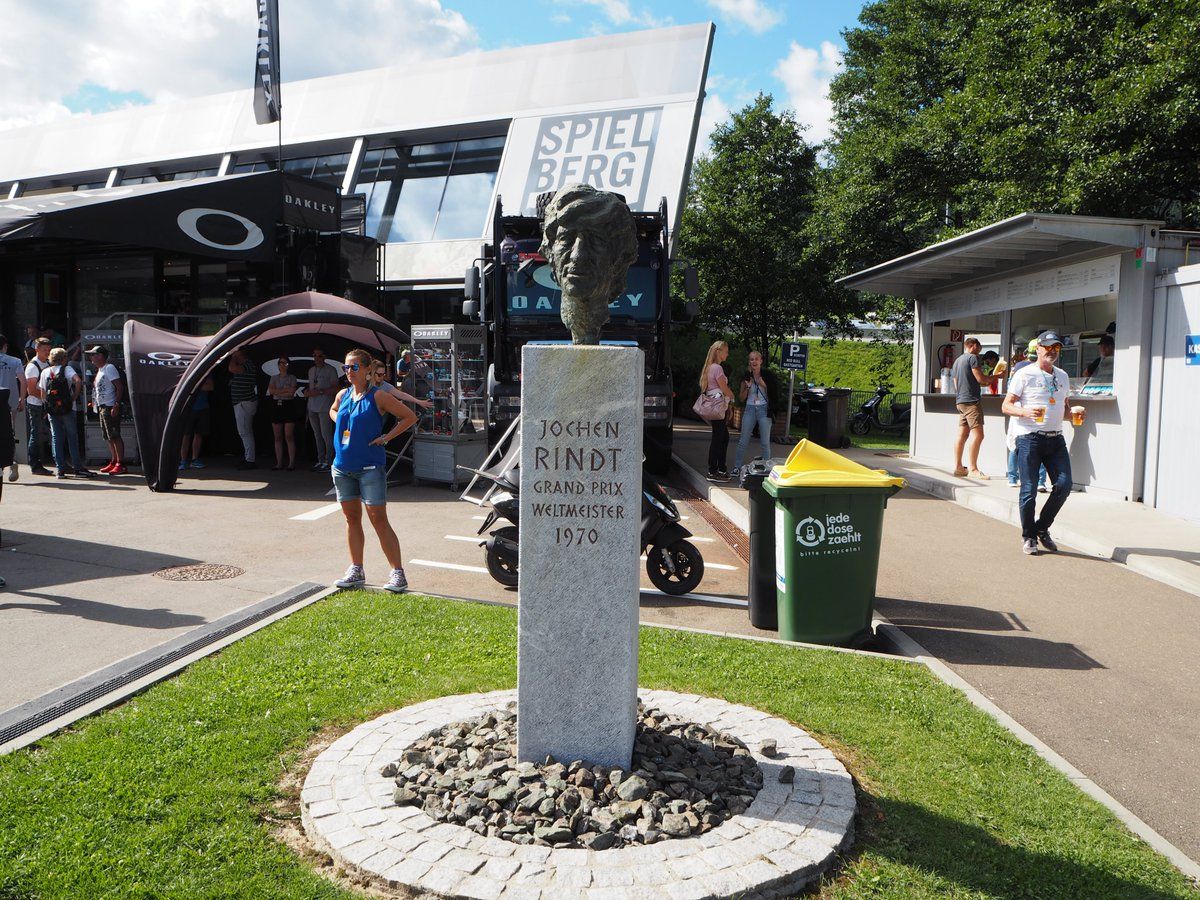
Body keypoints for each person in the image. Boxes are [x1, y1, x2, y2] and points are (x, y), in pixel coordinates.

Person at [330, 348, 418, 593]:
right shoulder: (343, 394)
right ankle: (356, 569)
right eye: (346, 368)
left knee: (378, 519)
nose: (349, 372)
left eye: (354, 367)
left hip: (369, 467)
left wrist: (386, 437)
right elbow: (332, 409)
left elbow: (409, 417)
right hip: (342, 467)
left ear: (368, 370)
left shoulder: (378, 396)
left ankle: (397, 573)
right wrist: (338, 419)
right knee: (351, 519)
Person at [1002, 330, 1085, 556]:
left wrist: (1073, 414)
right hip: (1029, 438)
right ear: (1037, 349)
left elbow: (1064, 409)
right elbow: (1006, 406)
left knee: (1064, 485)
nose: (1052, 351)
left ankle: (1041, 528)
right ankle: (1029, 537)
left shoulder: (1063, 376)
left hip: (1055, 438)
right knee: (1029, 490)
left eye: (1056, 348)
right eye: (1047, 347)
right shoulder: (1024, 374)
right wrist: (1024, 412)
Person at [40, 348, 94, 479]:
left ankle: (60, 470)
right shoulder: (67, 369)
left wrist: (48, 406)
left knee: (56, 438)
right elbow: (78, 381)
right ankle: (78, 468)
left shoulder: (45, 371)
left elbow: (42, 392)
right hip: (68, 409)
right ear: (64, 358)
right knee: (72, 438)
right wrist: (73, 398)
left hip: (53, 410)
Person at [950, 337, 995, 479]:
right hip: (971, 401)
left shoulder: (957, 361)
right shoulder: (973, 358)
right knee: (979, 435)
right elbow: (981, 380)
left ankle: (958, 467)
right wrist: (996, 376)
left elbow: (956, 382)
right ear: (974, 346)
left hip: (960, 401)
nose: (980, 351)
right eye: (979, 347)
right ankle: (973, 469)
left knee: (962, 435)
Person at [733, 350, 777, 474]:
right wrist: (748, 387)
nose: (754, 362)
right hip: (750, 409)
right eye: (751, 359)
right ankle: (737, 467)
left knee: (764, 442)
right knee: (743, 440)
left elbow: (774, 394)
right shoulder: (746, 377)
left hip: (764, 409)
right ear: (749, 362)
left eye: (756, 359)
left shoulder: (767, 375)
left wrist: (763, 384)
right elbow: (741, 398)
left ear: (761, 361)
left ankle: (767, 470)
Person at [87, 346, 126, 475]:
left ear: (101, 356)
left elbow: (119, 387)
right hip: (102, 405)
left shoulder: (109, 368)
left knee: (114, 435)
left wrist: (116, 404)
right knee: (108, 436)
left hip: (109, 405)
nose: (91, 357)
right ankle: (114, 461)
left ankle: (120, 463)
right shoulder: (100, 370)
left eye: (93, 354)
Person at [699, 340, 734, 481]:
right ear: (718, 352)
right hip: (718, 406)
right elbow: (724, 388)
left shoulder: (710, 367)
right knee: (719, 438)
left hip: (715, 405)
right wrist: (732, 397)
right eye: (726, 351)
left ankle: (720, 468)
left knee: (723, 437)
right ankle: (713, 471)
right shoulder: (717, 368)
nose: (727, 354)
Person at [24, 337, 53, 476]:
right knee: (36, 434)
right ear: (37, 350)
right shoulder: (32, 366)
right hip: (36, 405)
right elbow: (31, 390)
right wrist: (46, 401)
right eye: (44, 350)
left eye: (48, 350)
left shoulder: (47, 363)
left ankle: (47, 461)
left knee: (44, 434)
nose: (47, 352)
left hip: (44, 403)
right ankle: (35, 465)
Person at [306, 348, 339, 472]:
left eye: (319, 356)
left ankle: (329, 461)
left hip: (325, 407)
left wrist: (320, 391)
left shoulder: (331, 370)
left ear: (324, 357)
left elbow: (336, 388)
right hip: (312, 406)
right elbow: (311, 387)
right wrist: (309, 393)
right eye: (314, 356)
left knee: (326, 435)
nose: (316, 358)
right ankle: (320, 460)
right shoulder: (311, 370)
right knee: (317, 435)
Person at [0, 334, 27, 483]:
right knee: (10, 432)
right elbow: (23, 381)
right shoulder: (15, 361)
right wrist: (21, 399)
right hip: (9, 402)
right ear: (5, 346)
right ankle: (11, 461)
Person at [267, 356, 301, 470]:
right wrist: (283, 391)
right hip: (277, 406)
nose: (283, 365)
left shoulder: (292, 378)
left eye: (285, 363)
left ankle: (291, 463)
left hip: (288, 406)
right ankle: (279, 463)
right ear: (278, 365)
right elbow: (271, 391)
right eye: (281, 363)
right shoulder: (273, 378)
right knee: (277, 437)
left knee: (289, 436)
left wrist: (279, 391)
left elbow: (291, 393)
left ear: (288, 365)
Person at [228, 350, 259, 470]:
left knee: (245, 432)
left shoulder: (247, 365)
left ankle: (250, 460)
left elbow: (231, 368)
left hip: (244, 403)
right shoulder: (244, 366)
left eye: (236, 355)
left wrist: (233, 357)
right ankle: (248, 457)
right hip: (241, 403)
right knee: (245, 432)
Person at [179, 376, 214, 469]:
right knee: (186, 435)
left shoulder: (206, 373)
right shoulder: (186, 372)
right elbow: (182, 388)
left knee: (199, 434)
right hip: (188, 408)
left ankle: (195, 460)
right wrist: (199, 386)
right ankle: (183, 461)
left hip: (203, 408)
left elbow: (210, 387)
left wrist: (195, 386)